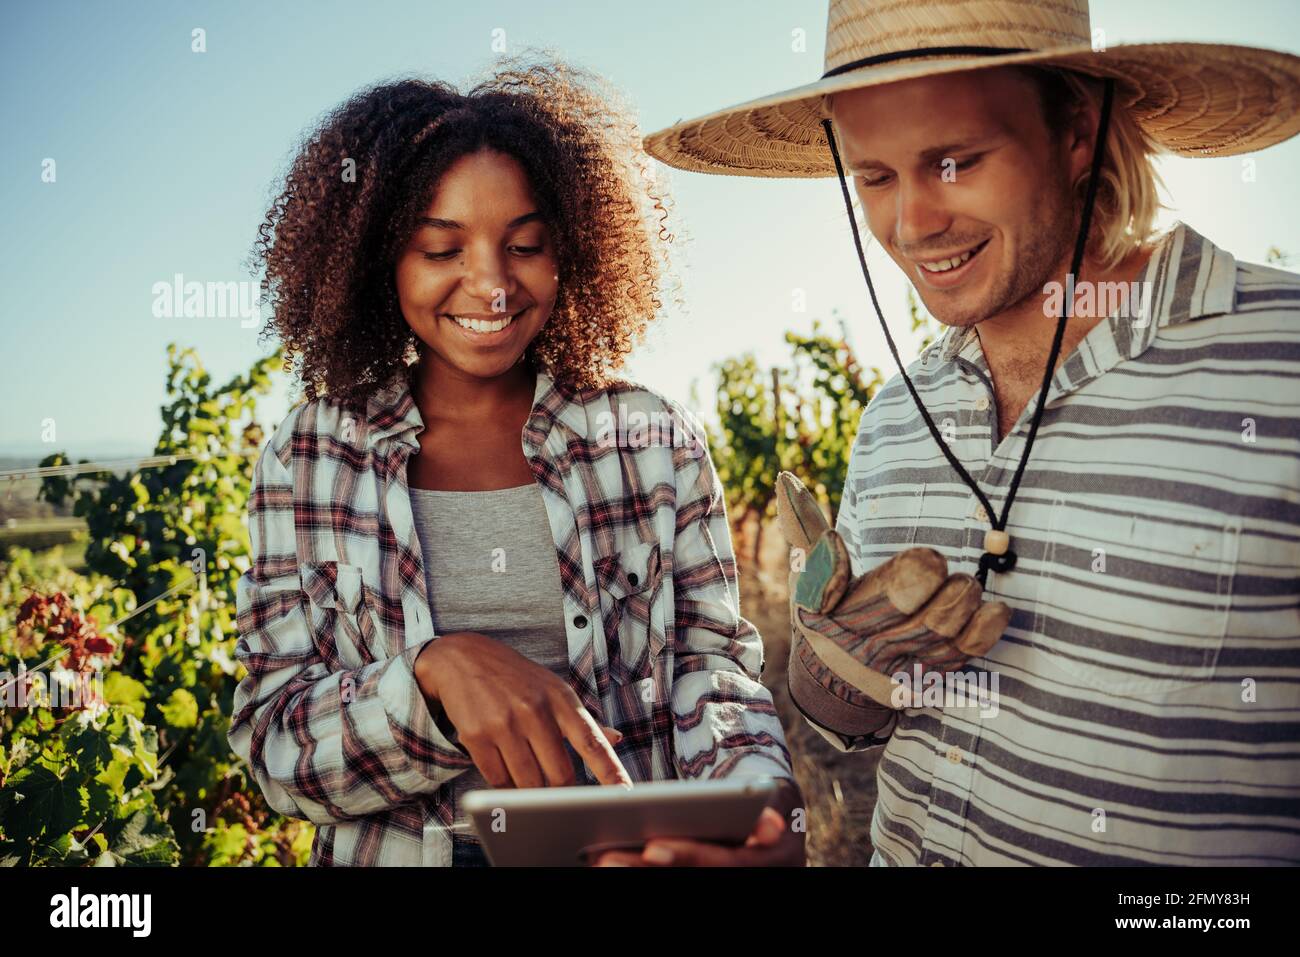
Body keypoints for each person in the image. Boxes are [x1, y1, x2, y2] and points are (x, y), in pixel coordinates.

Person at [644, 0, 1300, 865]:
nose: (912, 223)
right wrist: (832, 669)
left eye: (954, 162)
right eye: (874, 178)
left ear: (1079, 130)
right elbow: (857, 719)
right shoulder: (892, 419)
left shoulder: (1277, 366)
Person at [229, 59, 803, 867]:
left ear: (573, 248)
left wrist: (754, 803)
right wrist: (433, 679)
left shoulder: (650, 440)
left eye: (525, 244)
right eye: (440, 248)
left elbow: (712, 673)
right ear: (376, 259)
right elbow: (271, 746)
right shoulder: (312, 457)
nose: (492, 285)